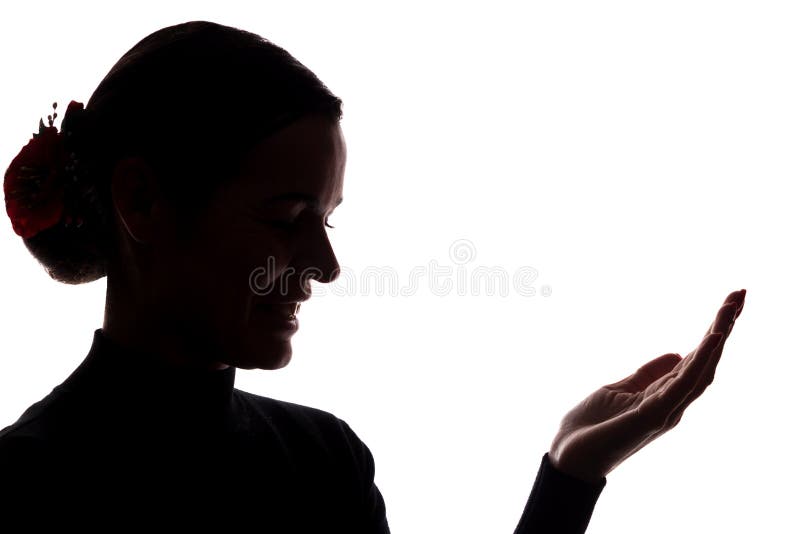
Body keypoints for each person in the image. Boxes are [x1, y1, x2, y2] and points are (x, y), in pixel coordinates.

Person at [0, 20, 745, 532]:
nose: (325, 265)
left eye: (328, 219)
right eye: (286, 216)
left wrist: (569, 470)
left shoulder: (324, 463)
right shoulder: (25, 490)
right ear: (141, 201)